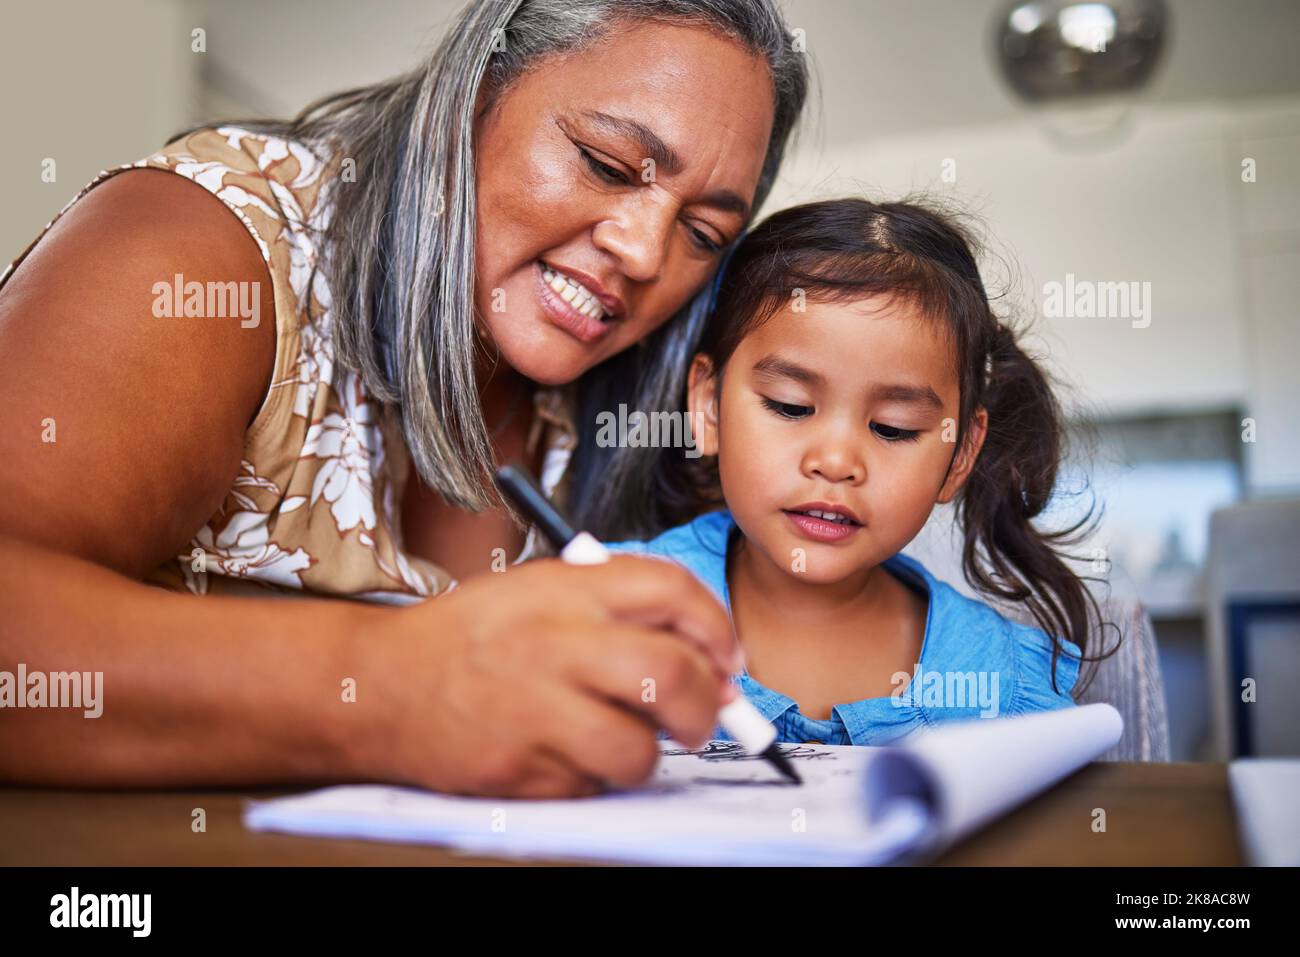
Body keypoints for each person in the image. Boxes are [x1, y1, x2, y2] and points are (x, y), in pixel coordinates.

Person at [0, 0, 808, 797]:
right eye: (603, 162)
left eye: (702, 234)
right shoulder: (209, 255)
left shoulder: (642, 399)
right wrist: (388, 684)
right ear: (472, 93)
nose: (642, 252)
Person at [608, 198, 1116, 745]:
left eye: (894, 429)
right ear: (708, 408)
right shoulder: (609, 612)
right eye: (790, 406)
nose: (837, 463)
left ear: (959, 455)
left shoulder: (1006, 688)